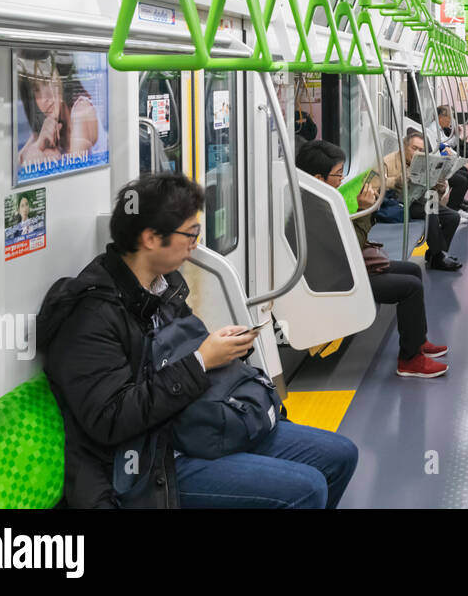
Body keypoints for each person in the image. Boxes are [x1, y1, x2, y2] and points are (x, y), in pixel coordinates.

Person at [36, 173, 358, 508]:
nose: (195, 244)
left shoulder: (164, 286)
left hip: (195, 422)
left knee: (340, 456)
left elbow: (179, 354)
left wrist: (220, 351)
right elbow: (112, 419)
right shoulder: (92, 316)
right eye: (190, 234)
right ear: (150, 238)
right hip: (150, 459)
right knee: (307, 488)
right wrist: (201, 361)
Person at [295, 141, 448, 378]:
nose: (342, 180)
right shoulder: (313, 209)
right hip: (338, 279)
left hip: (344, 267)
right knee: (411, 287)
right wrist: (366, 211)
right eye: (337, 174)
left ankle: (417, 341)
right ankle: (410, 361)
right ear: (318, 178)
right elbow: (350, 247)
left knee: (412, 270)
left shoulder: (319, 200)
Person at [384, 131, 463, 271]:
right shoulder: (388, 161)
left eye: (421, 150)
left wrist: (439, 187)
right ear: (404, 146)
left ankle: (436, 255)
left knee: (453, 217)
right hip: (397, 204)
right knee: (430, 213)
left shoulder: (424, 164)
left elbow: (431, 194)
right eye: (414, 148)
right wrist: (397, 181)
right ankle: (438, 257)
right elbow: (378, 184)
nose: (417, 153)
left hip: (417, 200)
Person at [16, 50, 105, 172]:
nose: (45, 97)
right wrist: (38, 146)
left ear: (61, 79)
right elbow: (15, 166)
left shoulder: (81, 109)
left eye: (47, 82)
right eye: (36, 90)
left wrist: (47, 155)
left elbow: (75, 170)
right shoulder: (49, 123)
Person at [432, 104, 468, 191]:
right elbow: (445, 148)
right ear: (441, 117)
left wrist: (457, 135)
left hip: (449, 154)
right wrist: (461, 160)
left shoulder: (440, 128)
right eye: (449, 117)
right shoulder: (434, 130)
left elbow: (448, 145)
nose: (451, 120)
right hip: (444, 158)